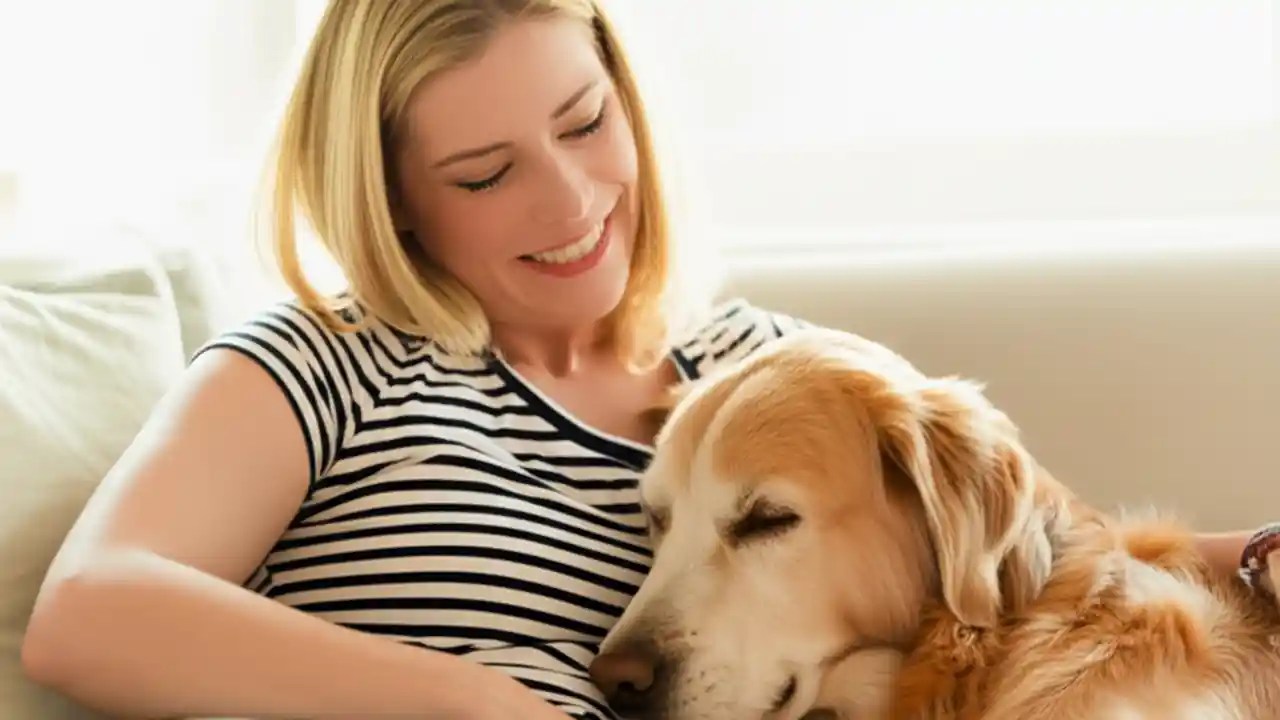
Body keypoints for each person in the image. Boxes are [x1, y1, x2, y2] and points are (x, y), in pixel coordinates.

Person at [18, 1, 1278, 719]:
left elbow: (1041, 556)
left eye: (584, 122)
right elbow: (92, 610)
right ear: (392, 197)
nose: (570, 202)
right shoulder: (328, 364)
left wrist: (1254, 556)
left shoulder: (769, 364)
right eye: (485, 172)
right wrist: (491, 713)